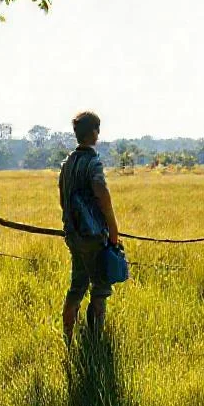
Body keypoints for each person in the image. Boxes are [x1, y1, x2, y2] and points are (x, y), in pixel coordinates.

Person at [59, 111, 121, 345]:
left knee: (77, 286)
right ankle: (95, 341)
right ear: (93, 132)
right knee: (100, 287)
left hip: (73, 235)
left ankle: (69, 338)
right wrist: (113, 228)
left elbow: (62, 200)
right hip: (94, 235)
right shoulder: (92, 162)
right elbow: (101, 191)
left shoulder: (67, 164)